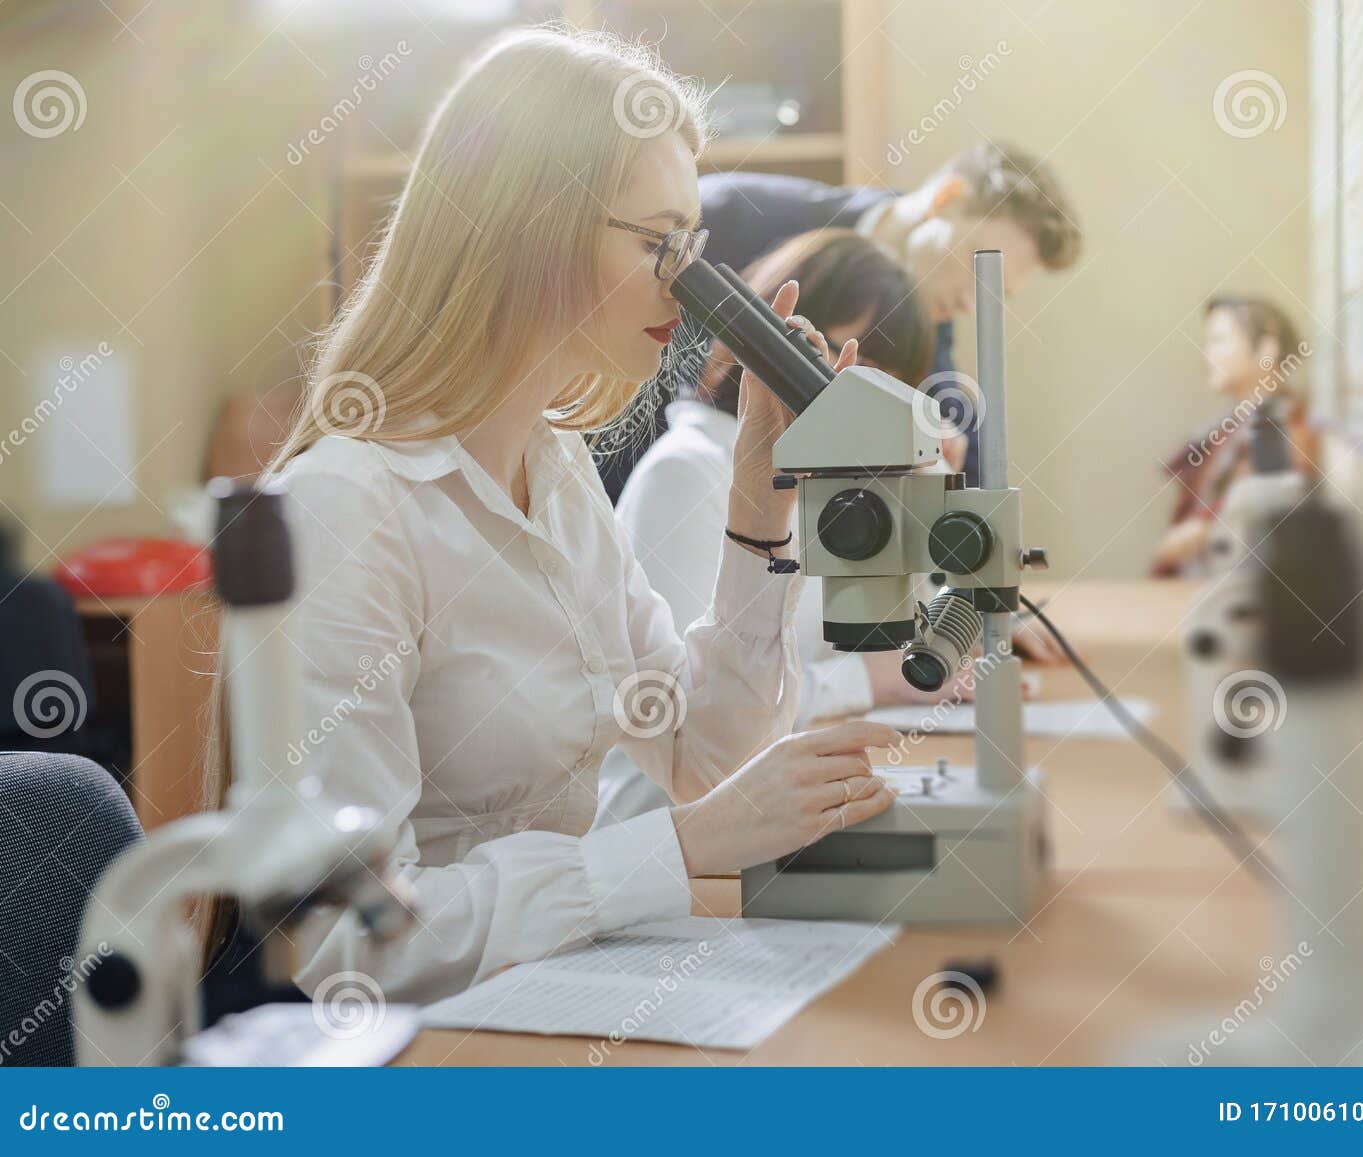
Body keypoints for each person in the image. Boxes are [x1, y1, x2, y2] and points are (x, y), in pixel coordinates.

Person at [197, 27, 904, 1007]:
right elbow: (347, 946)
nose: (685, 285)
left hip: (544, 995)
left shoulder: (556, 472)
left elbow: (700, 751)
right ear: (529, 228)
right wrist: (681, 847)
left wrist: (758, 505)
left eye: (694, 247)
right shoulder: (350, 508)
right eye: (659, 244)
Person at [599, 228, 1066, 825]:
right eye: (856, 361)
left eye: (889, 379)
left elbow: (890, 626)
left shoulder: (837, 478)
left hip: (762, 802)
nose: (865, 394)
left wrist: (928, 507)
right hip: (662, 833)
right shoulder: (688, 476)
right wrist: (870, 679)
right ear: (780, 345)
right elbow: (695, 727)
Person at [594, 141, 1083, 499]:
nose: (974, 306)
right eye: (979, 267)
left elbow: (967, 474)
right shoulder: (735, 215)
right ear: (947, 199)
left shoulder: (933, 322)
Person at [1152, 295, 1320, 578]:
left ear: (1267, 350)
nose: (1208, 354)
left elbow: (1248, 524)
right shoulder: (1232, 427)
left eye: (1219, 341)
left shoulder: (1285, 429)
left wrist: (1196, 535)